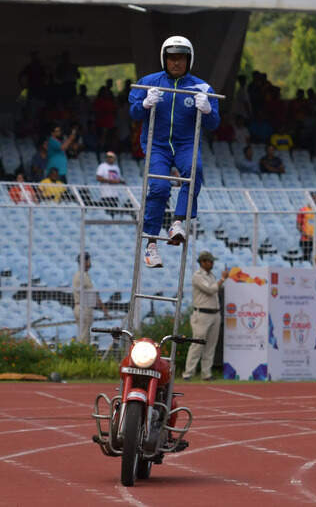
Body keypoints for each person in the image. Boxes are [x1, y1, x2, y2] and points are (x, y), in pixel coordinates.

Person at [128, 35, 220, 268]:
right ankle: (151, 245)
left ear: (189, 60)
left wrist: (208, 110)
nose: (176, 63)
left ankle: (177, 222)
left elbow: (214, 124)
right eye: (171, 58)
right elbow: (134, 113)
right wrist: (145, 104)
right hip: (157, 144)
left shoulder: (202, 87)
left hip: (185, 143)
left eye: (181, 58)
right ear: (164, 59)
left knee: (195, 170)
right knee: (159, 186)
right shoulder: (149, 82)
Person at [183, 251, 227, 381]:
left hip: (214, 313)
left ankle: (206, 373)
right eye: (209, 261)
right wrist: (223, 279)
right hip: (202, 314)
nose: (212, 264)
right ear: (202, 262)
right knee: (197, 344)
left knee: (210, 346)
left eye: (212, 261)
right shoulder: (197, 276)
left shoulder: (211, 275)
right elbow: (211, 289)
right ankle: (188, 373)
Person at [72, 252, 106, 344]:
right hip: (83, 308)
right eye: (88, 261)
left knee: (83, 333)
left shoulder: (80, 274)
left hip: (79, 307)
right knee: (84, 336)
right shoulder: (82, 275)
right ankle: (82, 355)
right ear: (85, 262)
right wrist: (103, 309)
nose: (90, 263)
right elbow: (93, 294)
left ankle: (82, 353)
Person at [296, 192, 316, 263]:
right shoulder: (303, 211)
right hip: (306, 240)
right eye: (314, 198)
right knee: (306, 260)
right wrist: (306, 235)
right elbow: (298, 225)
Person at [93, 86, 118, 153]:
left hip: (110, 124)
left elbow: (115, 112)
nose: (106, 94)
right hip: (101, 124)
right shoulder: (98, 101)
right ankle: (100, 152)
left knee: (110, 141)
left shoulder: (111, 102)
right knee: (102, 140)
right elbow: (96, 112)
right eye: (104, 92)